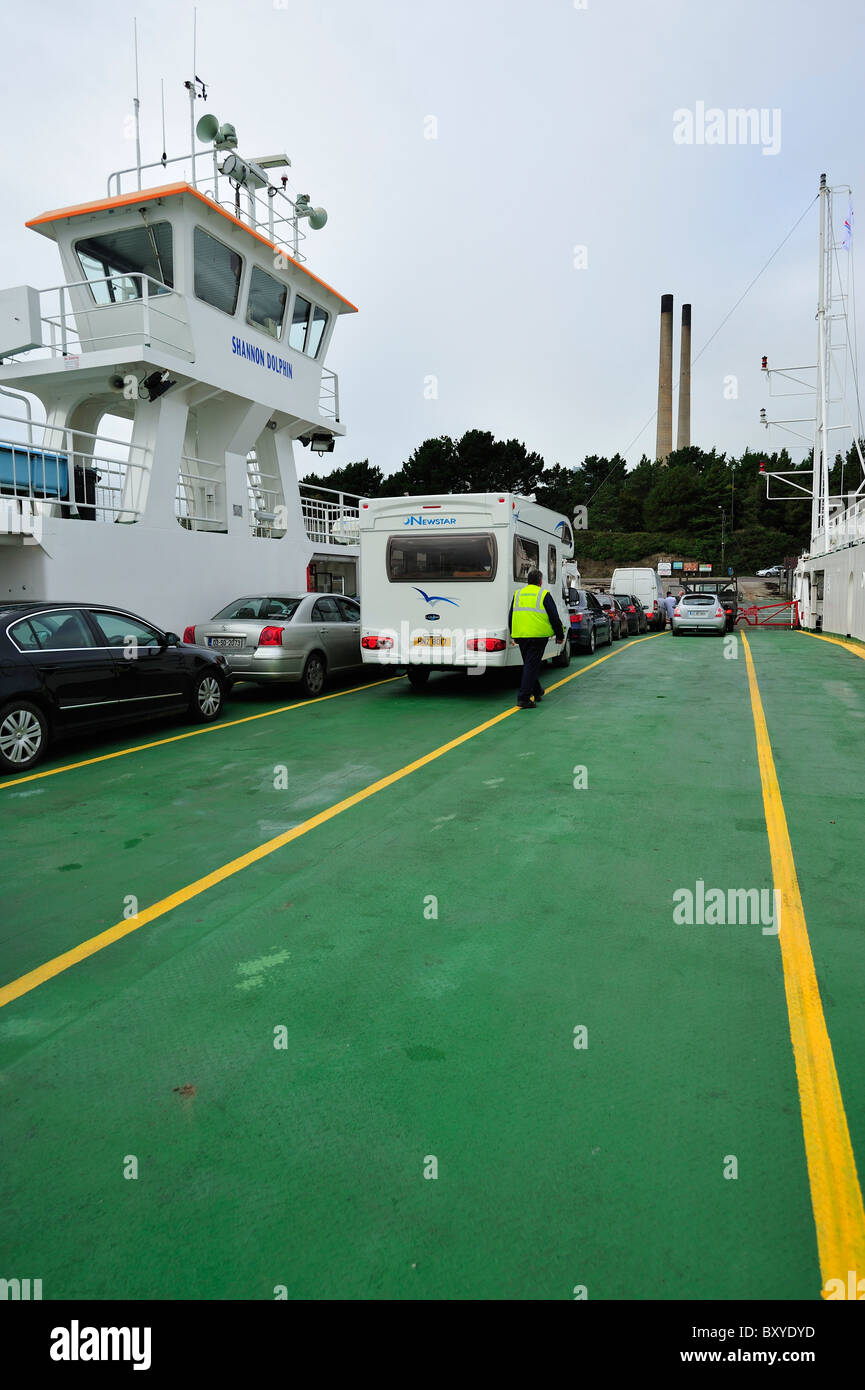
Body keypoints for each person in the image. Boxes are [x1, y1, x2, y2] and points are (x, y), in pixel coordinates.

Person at [508, 567, 565, 709]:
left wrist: (513, 634)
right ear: (540, 581)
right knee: (531, 665)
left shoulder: (518, 594)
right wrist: (560, 635)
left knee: (529, 664)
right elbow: (554, 617)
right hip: (538, 636)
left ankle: (537, 690)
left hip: (521, 635)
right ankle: (523, 698)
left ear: (528, 581)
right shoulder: (544, 594)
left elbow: (511, 615)